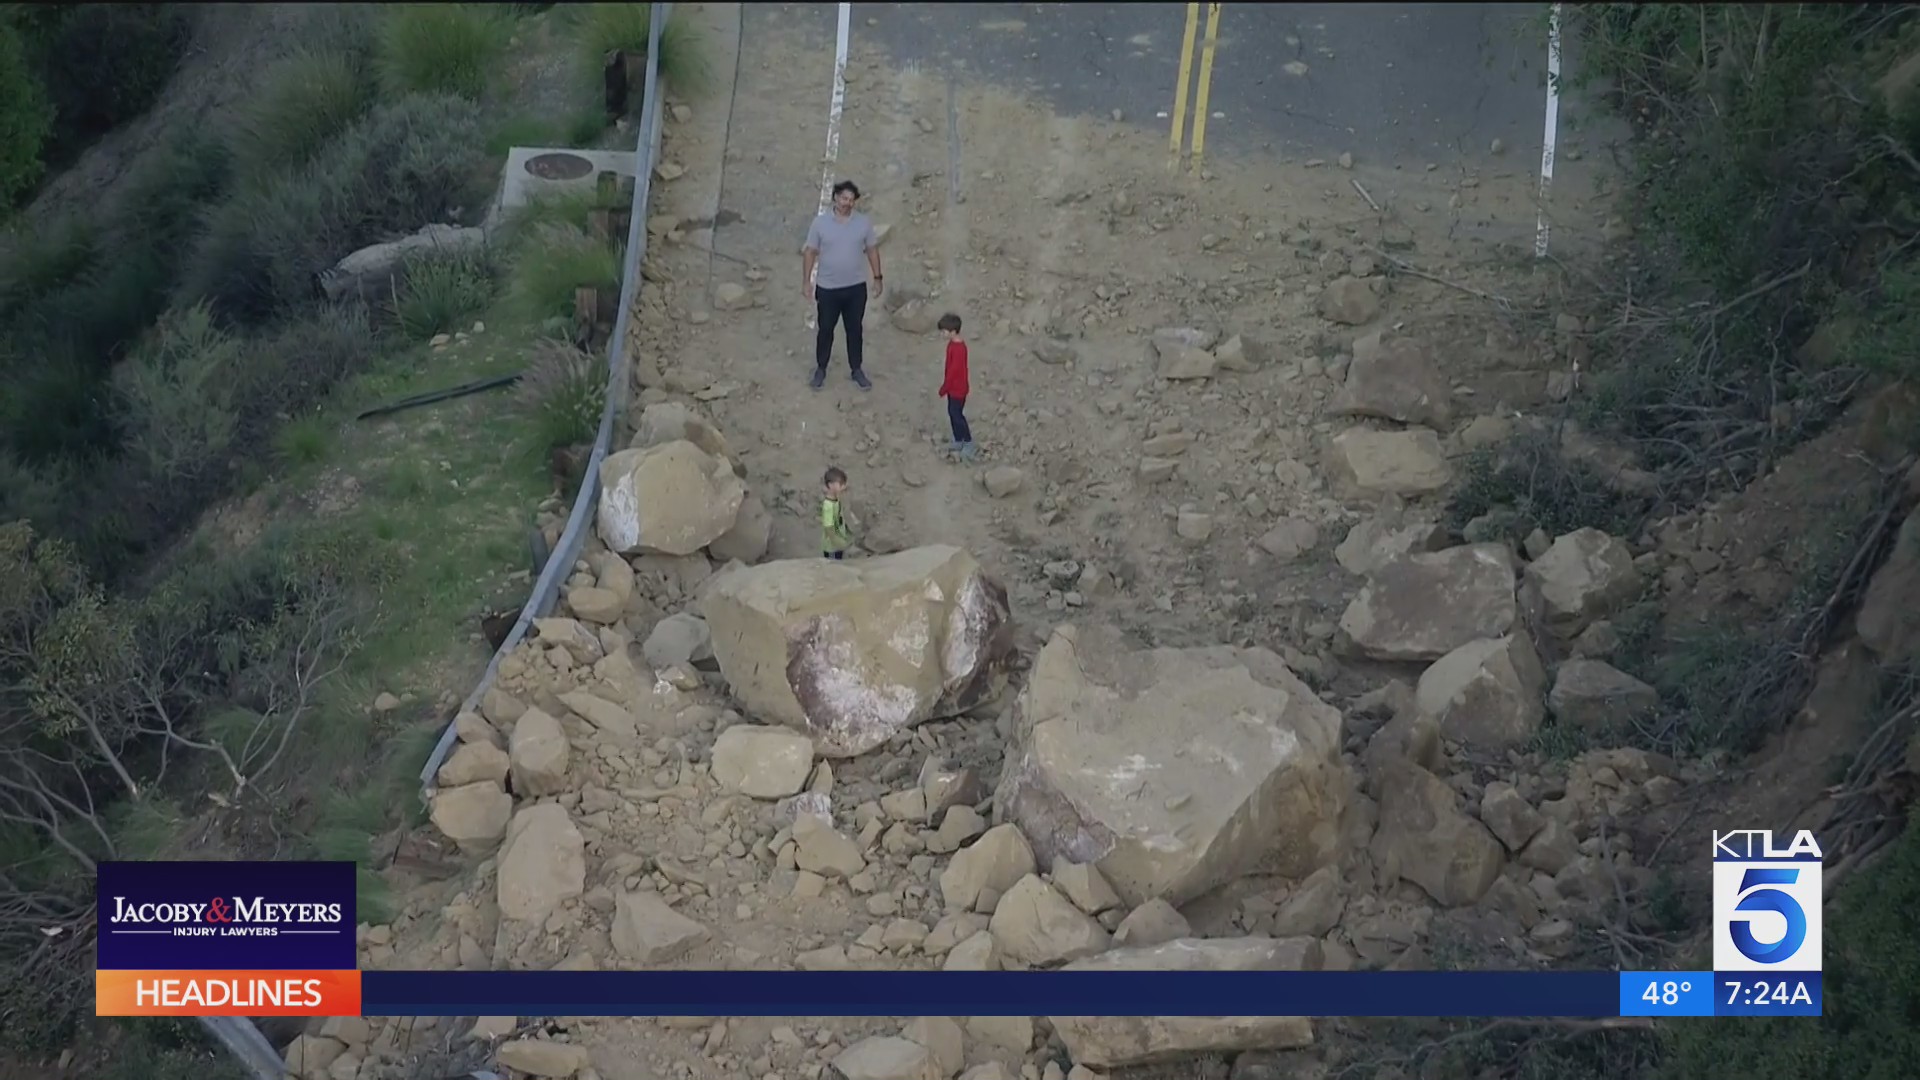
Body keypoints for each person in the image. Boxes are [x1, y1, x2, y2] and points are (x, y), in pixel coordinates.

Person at [801, 180, 883, 391]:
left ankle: (856, 369)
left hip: (855, 288)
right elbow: (810, 252)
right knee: (825, 329)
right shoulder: (820, 224)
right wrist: (807, 281)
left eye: (851, 199)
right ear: (835, 198)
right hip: (828, 288)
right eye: (844, 198)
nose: (847, 203)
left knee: (854, 329)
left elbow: (872, 250)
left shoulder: (863, 223)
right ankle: (821, 368)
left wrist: (877, 277)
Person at [936, 313, 976, 460]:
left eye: (944, 331)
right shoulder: (953, 344)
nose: (942, 334)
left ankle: (968, 441)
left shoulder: (958, 349)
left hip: (957, 389)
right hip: (953, 388)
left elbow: (954, 372)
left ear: (953, 331)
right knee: (952, 413)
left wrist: (944, 388)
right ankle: (959, 439)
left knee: (957, 415)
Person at [820, 466, 854, 559]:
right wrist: (839, 543)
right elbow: (829, 528)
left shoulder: (836, 500)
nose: (843, 486)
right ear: (831, 485)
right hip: (831, 548)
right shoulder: (828, 506)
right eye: (841, 484)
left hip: (839, 544)